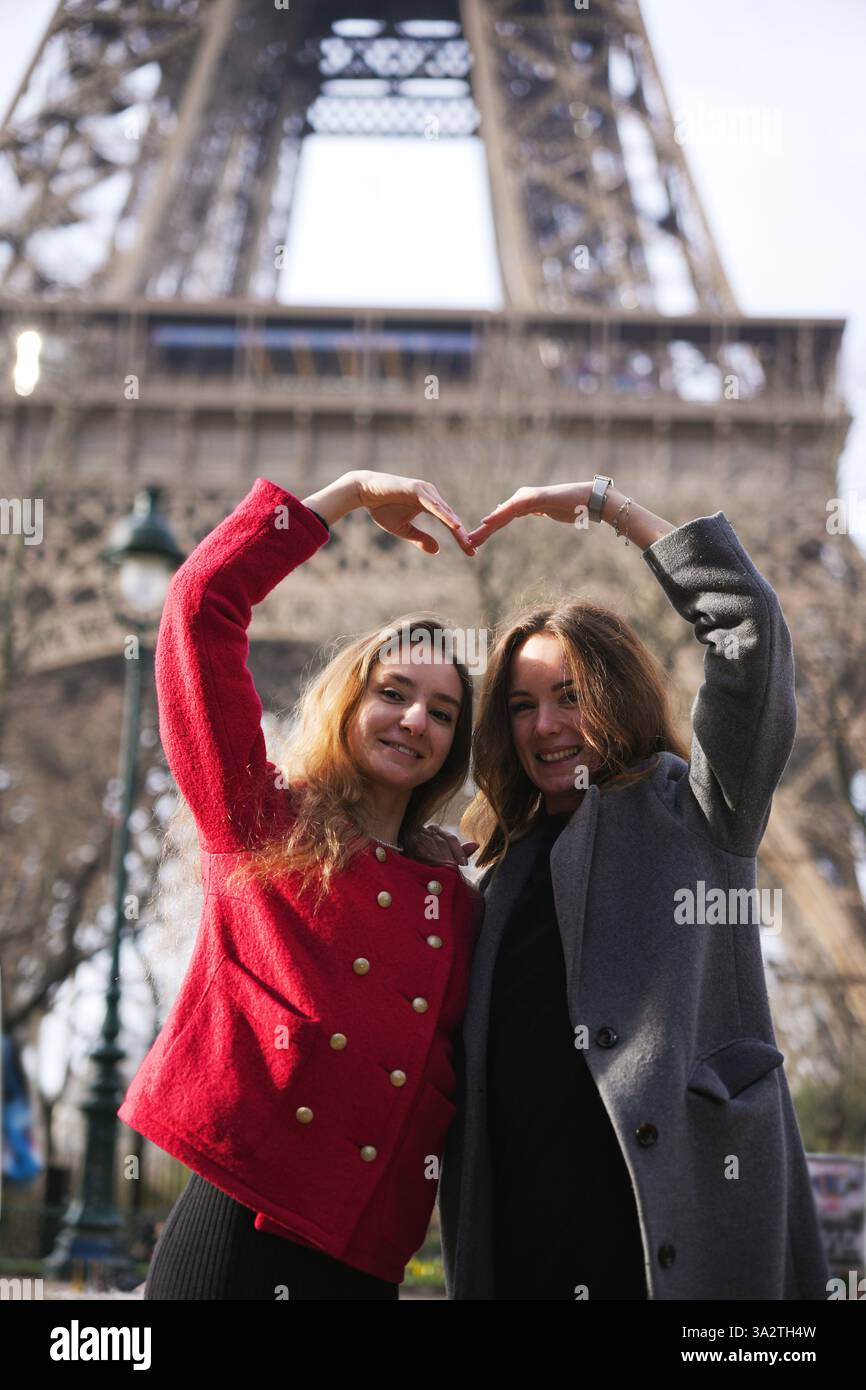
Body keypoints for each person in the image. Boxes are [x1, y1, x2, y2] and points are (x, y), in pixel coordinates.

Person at [439, 475, 831, 1301]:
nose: (546, 726)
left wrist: (607, 504)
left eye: (570, 696)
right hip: (527, 1232)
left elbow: (748, 633)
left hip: (672, 1222)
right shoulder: (494, 867)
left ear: (614, 693)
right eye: (522, 705)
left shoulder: (697, 807)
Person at [117, 469, 484, 1300]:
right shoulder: (259, 818)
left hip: (366, 1247)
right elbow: (198, 609)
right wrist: (348, 493)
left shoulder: (460, 901)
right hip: (242, 1217)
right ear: (349, 703)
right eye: (393, 693)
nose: (415, 720)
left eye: (443, 710)